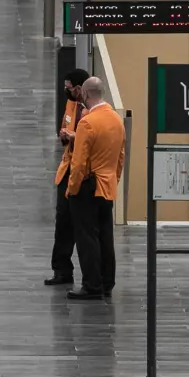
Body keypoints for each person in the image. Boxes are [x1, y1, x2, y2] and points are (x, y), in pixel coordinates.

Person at [65, 77, 124, 300]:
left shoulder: (87, 123)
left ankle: (91, 284)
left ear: (86, 95)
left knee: (87, 237)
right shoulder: (116, 120)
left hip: (88, 186)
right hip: (107, 185)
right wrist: (113, 179)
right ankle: (107, 282)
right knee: (105, 236)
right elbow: (120, 156)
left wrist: (72, 188)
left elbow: (79, 163)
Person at [44, 69, 90, 286]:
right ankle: (62, 270)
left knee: (83, 225)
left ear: (80, 88)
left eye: (69, 87)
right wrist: (64, 135)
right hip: (67, 169)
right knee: (62, 221)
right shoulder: (71, 105)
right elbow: (65, 125)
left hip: (85, 173)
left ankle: (92, 276)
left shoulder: (94, 109)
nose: (66, 91)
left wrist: (76, 136)